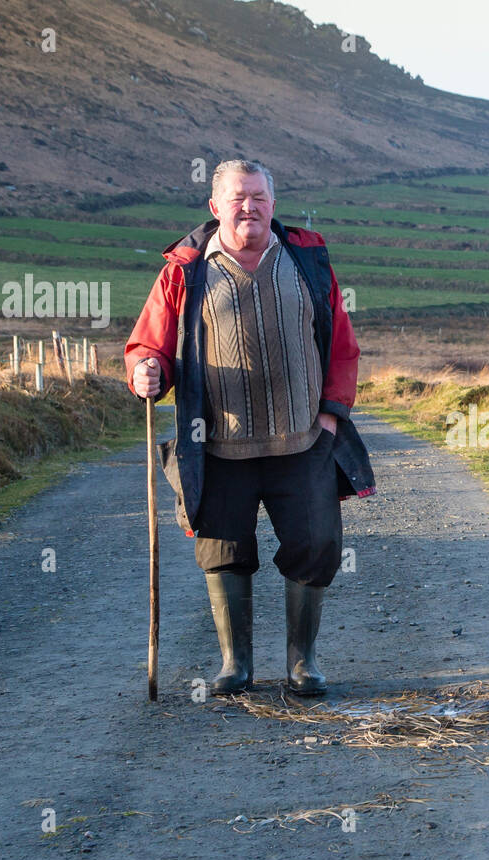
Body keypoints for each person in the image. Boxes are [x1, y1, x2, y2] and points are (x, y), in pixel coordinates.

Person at [125, 159, 373, 697]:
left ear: (272, 203)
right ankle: (234, 664)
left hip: (304, 439)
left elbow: (341, 345)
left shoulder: (307, 259)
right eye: (238, 198)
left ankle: (301, 663)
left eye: (259, 197)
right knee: (222, 549)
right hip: (216, 445)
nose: (249, 207)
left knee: (316, 545)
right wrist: (148, 370)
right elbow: (151, 344)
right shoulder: (186, 270)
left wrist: (330, 416)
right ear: (215, 208)